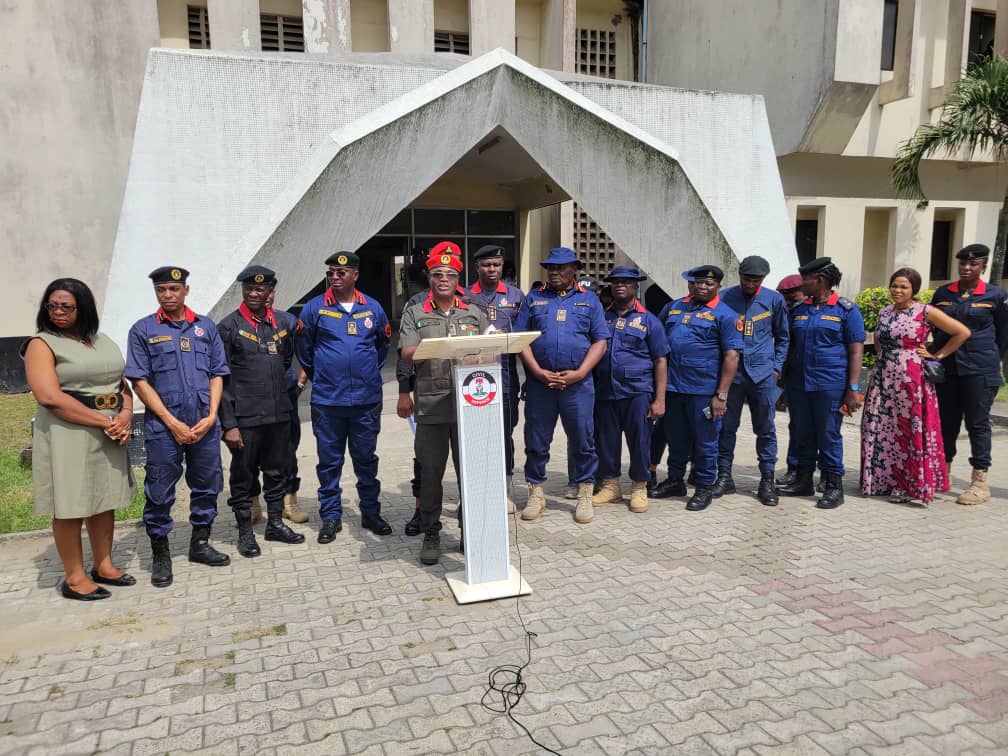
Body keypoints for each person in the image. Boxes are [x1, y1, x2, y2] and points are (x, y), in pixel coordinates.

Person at [22, 279, 136, 600]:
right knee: (71, 504)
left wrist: (125, 413)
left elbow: (120, 383)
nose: (58, 311)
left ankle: (104, 565)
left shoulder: (100, 340)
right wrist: (105, 421)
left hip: (109, 428)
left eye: (66, 306)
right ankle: (74, 577)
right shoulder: (41, 344)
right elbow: (49, 396)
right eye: (52, 305)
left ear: (83, 307)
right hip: (67, 431)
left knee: (103, 498)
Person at [126, 266, 231, 587]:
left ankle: (200, 543)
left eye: (174, 289)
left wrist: (212, 415)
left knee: (207, 484)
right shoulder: (143, 330)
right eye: (162, 290)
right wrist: (172, 423)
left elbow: (217, 373)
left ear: (186, 290)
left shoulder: (206, 328)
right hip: (163, 426)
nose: (168, 295)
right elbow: (139, 381)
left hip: (204, 423)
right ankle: (160, 554)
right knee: (159, 489)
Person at [399, 246, 489, 565]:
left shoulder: (473, 312)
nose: (444, 279)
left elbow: (491, 349)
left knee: (471, 473)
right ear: (430, 277)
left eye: (450, 275)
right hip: (432, 407)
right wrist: (439, 347)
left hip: (470, 407)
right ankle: (432, 532)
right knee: (431, 474)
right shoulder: (416, 312)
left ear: (458, 279)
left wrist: (481, 355)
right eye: (438, 274)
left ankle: (470, 530)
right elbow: (407, 353)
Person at [296, 251, 393, 543]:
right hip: (328, 402)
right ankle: (330, 517)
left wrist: (364, 373)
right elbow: (304, 350)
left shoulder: (372, 308)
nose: (335, 278)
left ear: (355, 275)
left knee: (366, 460)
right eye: (331, 273)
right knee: (329, 463)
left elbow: (382, 346)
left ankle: (371, 513)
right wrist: (324, 375)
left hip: (365, 401)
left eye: (342, 273)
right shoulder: (315, 309)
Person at [860, 267, 970, 505]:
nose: (897, 290)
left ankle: (908, 484)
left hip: (912, 380)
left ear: (914, 290)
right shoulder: (884, 312)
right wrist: (884, 361)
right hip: (884, 378)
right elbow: (879, 340)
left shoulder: (925, 311)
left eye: (903, 287)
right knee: (881, 427)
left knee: (908, 429)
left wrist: (937, 355)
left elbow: (961, 332)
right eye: (894, 285)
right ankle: (881, 480)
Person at [515, 247, 608, 524]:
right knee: (536, 440)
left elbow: (600, 341)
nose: (555, 273)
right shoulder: (534, 298)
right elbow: (521, 339)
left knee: (583, 439)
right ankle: (536, 493)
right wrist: (537, 372)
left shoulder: (589, 300)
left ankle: (585, 493)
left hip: (577, 385)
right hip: (540, 384)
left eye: (561, 268)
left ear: (574, 269)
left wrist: (580, 373)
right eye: (551, 268)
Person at [217, 266, 305, 558]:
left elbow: (285, 362)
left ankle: (276, 524)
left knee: (277, 472)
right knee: (243, 475)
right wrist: (228, 424)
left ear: (270, 292)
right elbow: (221, 378)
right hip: (245, 417)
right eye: (248, 289)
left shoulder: (281, 323)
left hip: (278, 414)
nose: (254, 294)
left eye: (260, 289)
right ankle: (245, 533)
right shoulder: (228, 327)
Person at [777, 257, 865, 509]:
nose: (802, 284)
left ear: (821, 280)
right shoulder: (800, 310)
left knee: (828, 434)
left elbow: (856, 351)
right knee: (802, 432)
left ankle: (834, 486)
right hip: (799, 384)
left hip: (830, 384)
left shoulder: (846, 310)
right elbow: (790, 346)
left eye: (806, 279)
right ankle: (803, 480)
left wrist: (853, 388)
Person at [930, 243, 1008, 505]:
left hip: (980, 369)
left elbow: (1004, 335)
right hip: (948, 369)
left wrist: (991, 360)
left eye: (972, 264)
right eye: (962, 263)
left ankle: (979, 480)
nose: (966, 268)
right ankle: (943, 473)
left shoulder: (996, 296)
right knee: (946, 423)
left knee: (977, 424)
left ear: (983, 266)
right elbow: (934, 328)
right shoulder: (943, 293)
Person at [661, 265, 742, 511]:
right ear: (691, 284)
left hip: (704, 391)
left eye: (709, 284)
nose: (702, 287)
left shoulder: (726, 314)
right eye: (698, 282)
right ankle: (675, 480)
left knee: (706, 442)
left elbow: (731, 357)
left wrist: (721, 395)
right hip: (674, 388)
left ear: (718, 286)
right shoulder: (675, 307)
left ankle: (705, 486)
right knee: (676, 439)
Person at [591, 266, 669, 513]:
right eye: (616, 282)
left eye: (626, 282)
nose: (620, 286)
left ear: (636, 287)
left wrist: (659, 399)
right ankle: (611, 486)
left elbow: (660, 360)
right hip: (605, 392)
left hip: (637, 392)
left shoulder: (649, 320)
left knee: (639, 442)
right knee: (607, 441)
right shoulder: (602, 317)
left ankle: (638, 487)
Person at [714, 256, 790, 505]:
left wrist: (776, 368)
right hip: (732, 375)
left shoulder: (774, 299)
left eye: (756, 280)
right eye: (747, 279)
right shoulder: (724, 297)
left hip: (762, 374)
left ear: (763, 279)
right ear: (739, 276)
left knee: (765, 429)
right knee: (726, 427)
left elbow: (783, 337)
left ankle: (767, 479)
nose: (751, 283)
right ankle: (724, 476)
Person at [466, 244, 525, 510]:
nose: (492, 270)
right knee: (477, 433)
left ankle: (506, 485)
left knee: (505, 433)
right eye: (486, 265)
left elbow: (524, 336)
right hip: (474, 378)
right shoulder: (465, 296)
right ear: (477, 267)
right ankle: (479, 486)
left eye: (496, 265)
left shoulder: (515, 296)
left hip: (506, 378)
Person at [774, 273, 806, 487]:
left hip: (822, 380)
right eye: (784, 296)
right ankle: (794, 469)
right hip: (794, 379)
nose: (788, 300)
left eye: (792, 295)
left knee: (824, 430)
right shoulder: (786, 313)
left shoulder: (811, 310)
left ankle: (825, 475)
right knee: (796, 427)